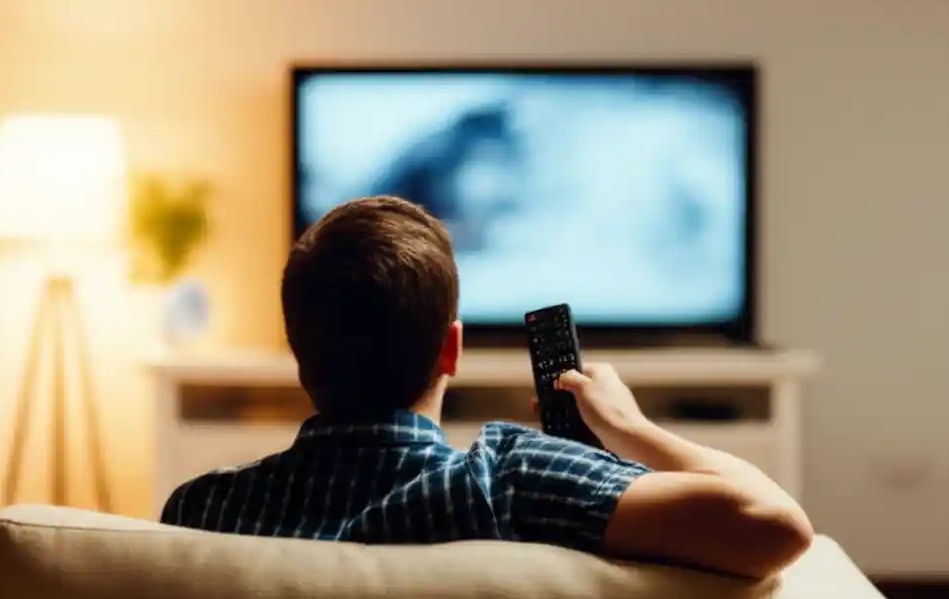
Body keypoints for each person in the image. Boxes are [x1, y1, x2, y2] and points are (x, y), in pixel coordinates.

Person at [162, 196, 812, 579]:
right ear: (452, 348)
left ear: (299, 354)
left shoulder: (200, 512)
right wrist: (630, 431)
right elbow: (775, 525)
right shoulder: (514, 481)